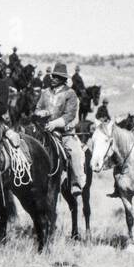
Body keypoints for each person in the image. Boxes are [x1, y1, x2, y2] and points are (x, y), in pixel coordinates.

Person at [33, 62, 84, 196]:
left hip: (64, 133)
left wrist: (55, 123)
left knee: (74, 153)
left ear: (63, 79)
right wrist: (40, 113)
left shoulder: (70, 93)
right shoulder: (45, 93)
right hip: (44, 129)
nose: (53, 78)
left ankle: (75, 184)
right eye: (53, 76)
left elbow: (70, 114)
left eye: (56, 76)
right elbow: (37, 108)